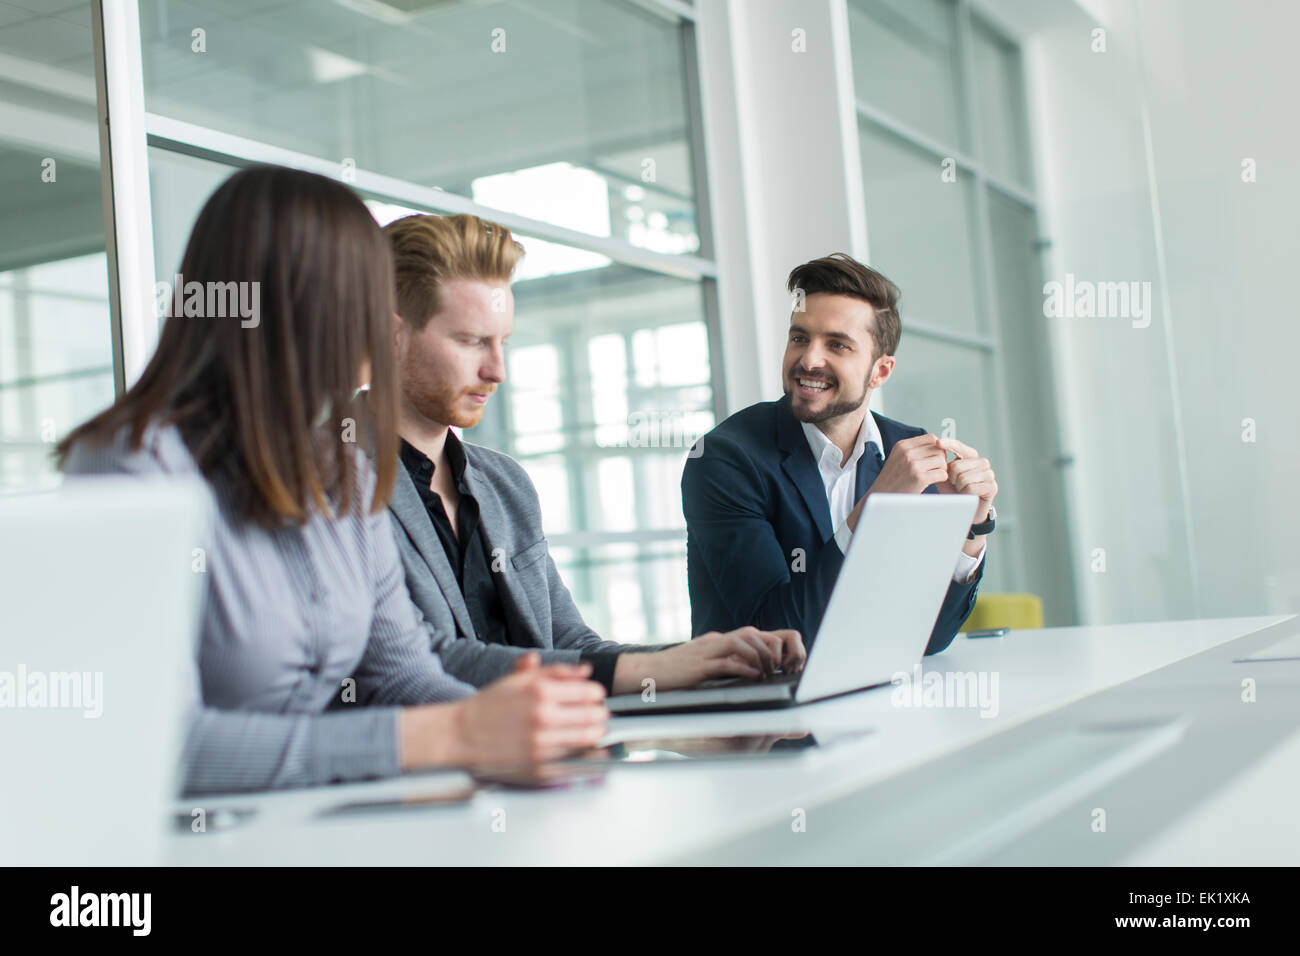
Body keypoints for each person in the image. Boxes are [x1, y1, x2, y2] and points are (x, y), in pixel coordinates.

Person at [57, 165, 608, 795]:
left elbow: (401, 676)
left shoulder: (342, 467)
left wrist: (514, 731)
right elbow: (156, 748)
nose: (386, 324)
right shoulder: (131, 467)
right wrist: (453, 737)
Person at [371, 212, 805, 695]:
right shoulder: (326, 483)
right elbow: (419, 664)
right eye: (472, 342)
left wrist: (703, 660)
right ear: (394, 336)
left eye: (504, 343)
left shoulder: (504, 484)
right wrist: (660, 672)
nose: (498, 370)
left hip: (547, 758)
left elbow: (568, 641)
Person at [681, 253, 998, 655]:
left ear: (880, 371)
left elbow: (929, 639)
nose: (809, 359)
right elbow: (778, 638)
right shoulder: (724, 459)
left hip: (872, 697)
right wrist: (878, 506)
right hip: (756, 708)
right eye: (799, 337)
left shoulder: (907, 451)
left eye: (837, 345)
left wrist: (969, 530)